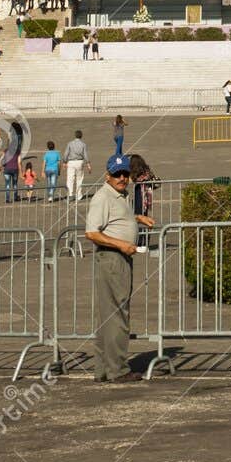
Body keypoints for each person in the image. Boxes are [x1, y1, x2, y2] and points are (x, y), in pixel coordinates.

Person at [84, 154, 153, 383]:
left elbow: (115, 220)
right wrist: (122, 244)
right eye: (117, 174)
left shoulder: (118, 195)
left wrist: (136, 218)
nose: (122, 178)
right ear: (108, 176)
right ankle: (118, 370)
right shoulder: (103, 197)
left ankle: (104, 369)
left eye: (125, 174)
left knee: (108, 316)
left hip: (117, 258)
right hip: (113, 259)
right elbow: (92, 232)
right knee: (117, 314)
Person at [129, 153, 156, 247]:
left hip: (138, 197)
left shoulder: (135, 174)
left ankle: (140, 242)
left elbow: (131, 180)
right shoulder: (146, 171)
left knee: (138, 219)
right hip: (146, 198)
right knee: (145, 218)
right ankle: (145, 242)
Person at [63, 130, 90, 202]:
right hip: (80, 162)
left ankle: (70, 194)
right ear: (81, 136)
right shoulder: (83, 144)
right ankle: (79, 195)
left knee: (70, 179)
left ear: (75, 135)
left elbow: (66, 153)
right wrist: (88, 164)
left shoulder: (70, 143)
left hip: (71, 162)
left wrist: (64, 162)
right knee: (79, 179)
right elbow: (85, 155)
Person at [2, 121, 24, 203]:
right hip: (15, 168)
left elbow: (8, 140)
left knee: (7, 184)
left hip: (7, 168)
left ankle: (7, 198)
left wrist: (1, 167)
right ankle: (15, 196)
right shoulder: (20, 133)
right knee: (15, 183)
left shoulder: (11, 132)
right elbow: (20, 143)